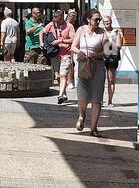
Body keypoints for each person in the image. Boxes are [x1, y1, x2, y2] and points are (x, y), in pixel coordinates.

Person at [71, 9, 109, 137]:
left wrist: (97, 54)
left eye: (99, 19)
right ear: (88, 19)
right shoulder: (81, 30)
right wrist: (79, 52)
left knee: (97, 98)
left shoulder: (102, 32)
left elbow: (109, 50)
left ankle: (94, 128)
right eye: (95, 19)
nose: (98, 22)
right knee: (83, 95)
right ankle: (82, 116)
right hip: (83, 66)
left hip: (98, 66)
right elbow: (73, 47)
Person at [43, 8, 76, 104]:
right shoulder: (51, 24)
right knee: (57, 76)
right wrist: (42, 43)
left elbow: (73, 40)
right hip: (54, 53)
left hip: (66, 53)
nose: (56, 23)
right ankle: (64, 93)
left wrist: (61, 41)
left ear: (62, 18)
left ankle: (60, 95)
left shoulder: (69, 26)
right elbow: (42, 32)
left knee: (63, 74)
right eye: (55, 20)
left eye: (58, 21)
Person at [102, 14, 122, 106]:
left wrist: (108, 45)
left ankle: (110, 100)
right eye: (105, 21)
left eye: (108, 21)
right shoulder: (100, 31)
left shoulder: (116, 32)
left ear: (111, 21)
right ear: (103, 22)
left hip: (112, 57)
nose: (107, 23)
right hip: (101, 56)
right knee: (99, 79)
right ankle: (99, 99)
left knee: (111, 79)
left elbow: (119, 46)